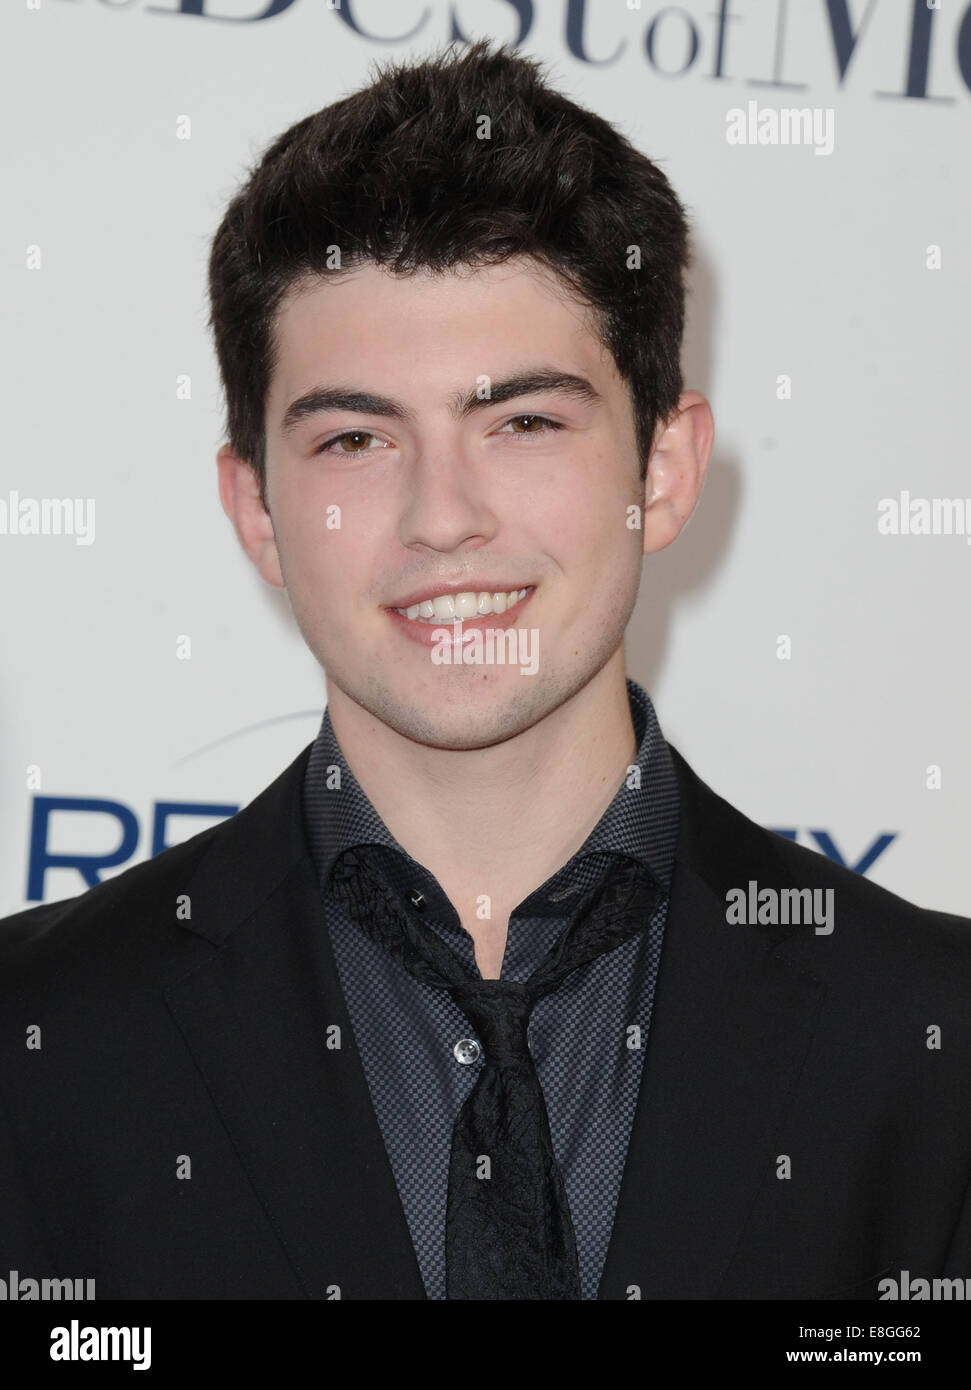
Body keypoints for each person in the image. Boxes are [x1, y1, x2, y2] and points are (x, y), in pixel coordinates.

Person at [1, 38, 968, 1303]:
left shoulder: (930, 1043)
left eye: (521, 423)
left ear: (661, 472)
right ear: (255, 511)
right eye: (354, 437)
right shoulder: (37, 1042)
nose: (441, 516)